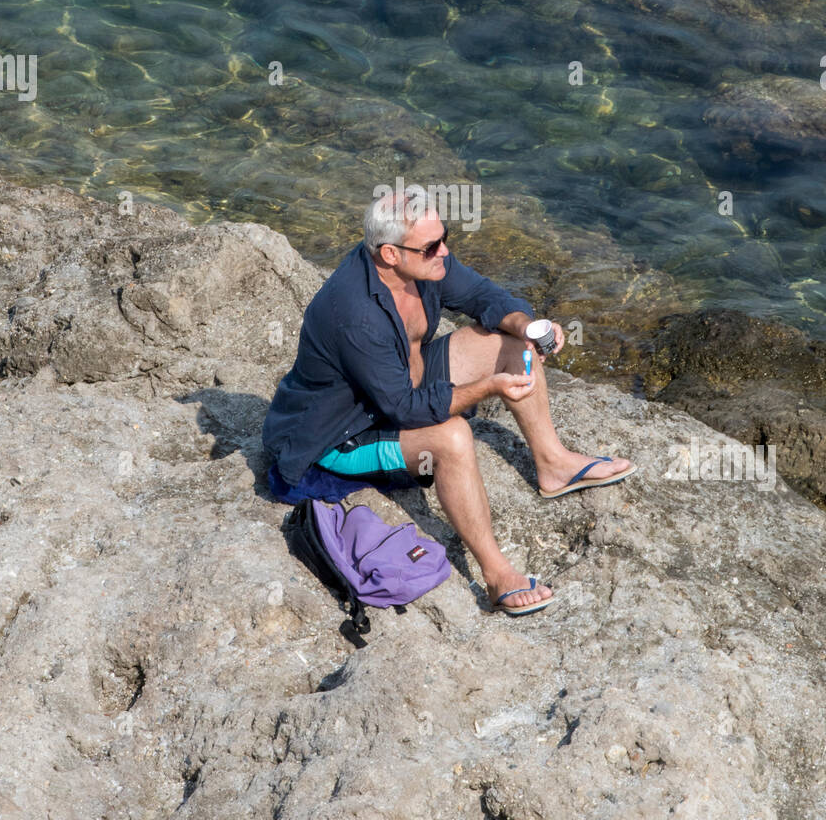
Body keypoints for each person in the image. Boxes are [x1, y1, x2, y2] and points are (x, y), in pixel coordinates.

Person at [263, 185, 634, 615]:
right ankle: (498, 576)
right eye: (432, 246)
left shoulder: (423, 262)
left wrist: (527, 326)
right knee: (453, 437)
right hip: (341, 434)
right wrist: (488, 388)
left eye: (444, 237)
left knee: (515, 345)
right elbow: (403, 409)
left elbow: (483, 296)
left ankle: (554, 465)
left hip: (401, 388)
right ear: (389, 254)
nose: (444, 251)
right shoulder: (355, 312)